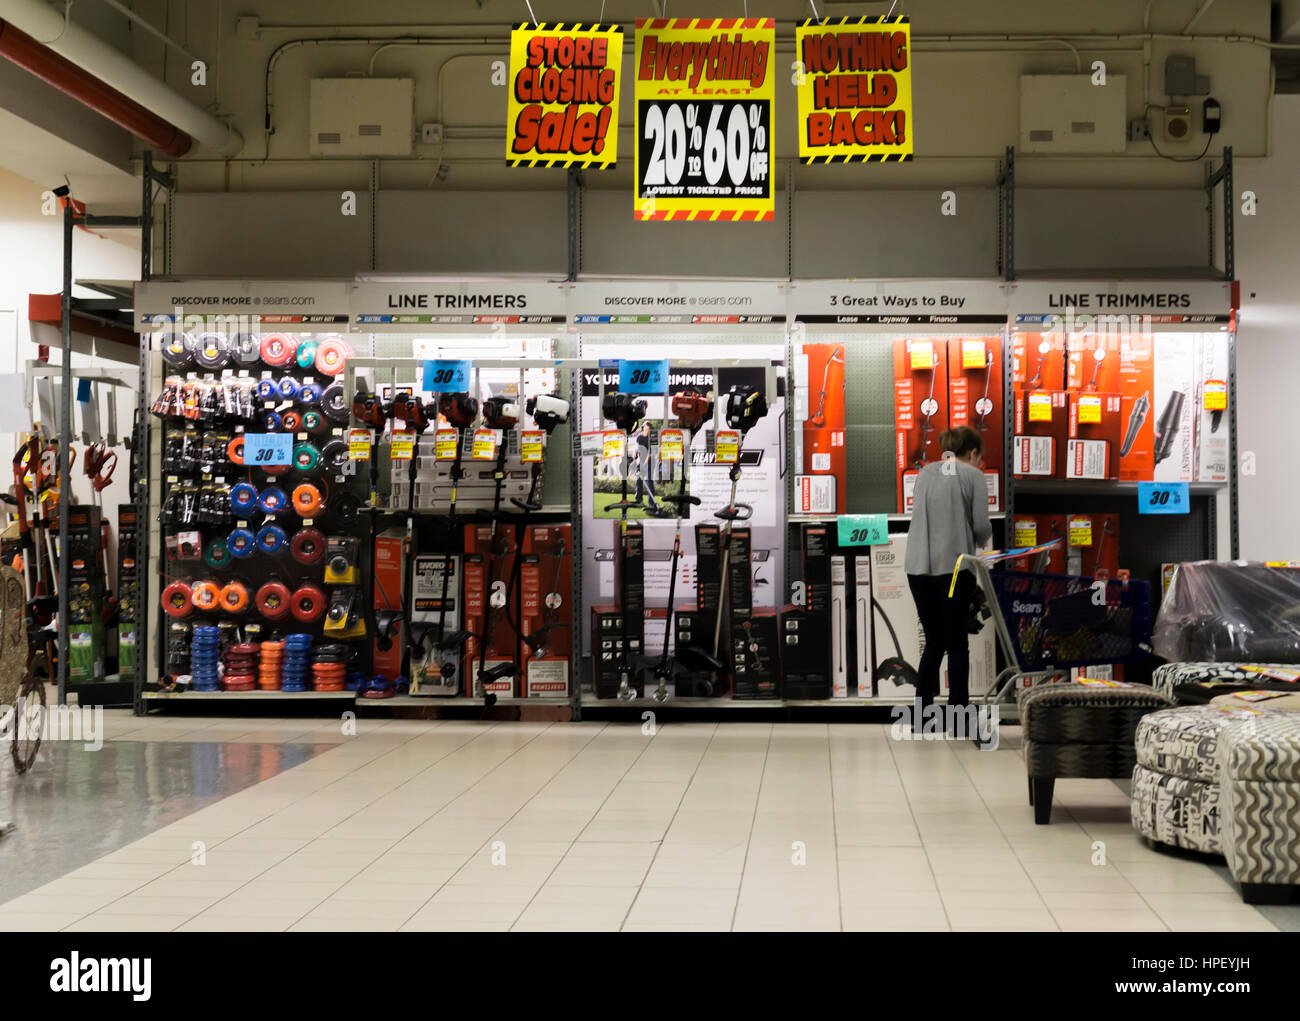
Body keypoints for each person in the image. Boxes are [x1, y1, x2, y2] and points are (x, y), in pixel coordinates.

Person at [904, 425, 992, 721]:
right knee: (956, 644)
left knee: (934, 641)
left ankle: (922, 715)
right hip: (953, 569)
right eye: (979, 458)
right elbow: (981, 526)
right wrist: (981, 541)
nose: (980, 463)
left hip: (916, 569)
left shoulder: (925, 473)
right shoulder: (973, 476)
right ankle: (957, 717)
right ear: (973, 453)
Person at [632, 421, 660, 513]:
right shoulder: (639, 437)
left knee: (649, 482)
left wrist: (643, 465)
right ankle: (639, 500)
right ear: (642, 428)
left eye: (649, 429)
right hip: (641, 460)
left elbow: (650, 454)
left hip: (650, 461)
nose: (647, 430)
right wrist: (634, 455)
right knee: (639, 480)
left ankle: (651, 504)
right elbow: (635, 448)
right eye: (645, 428)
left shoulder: (652, 438)